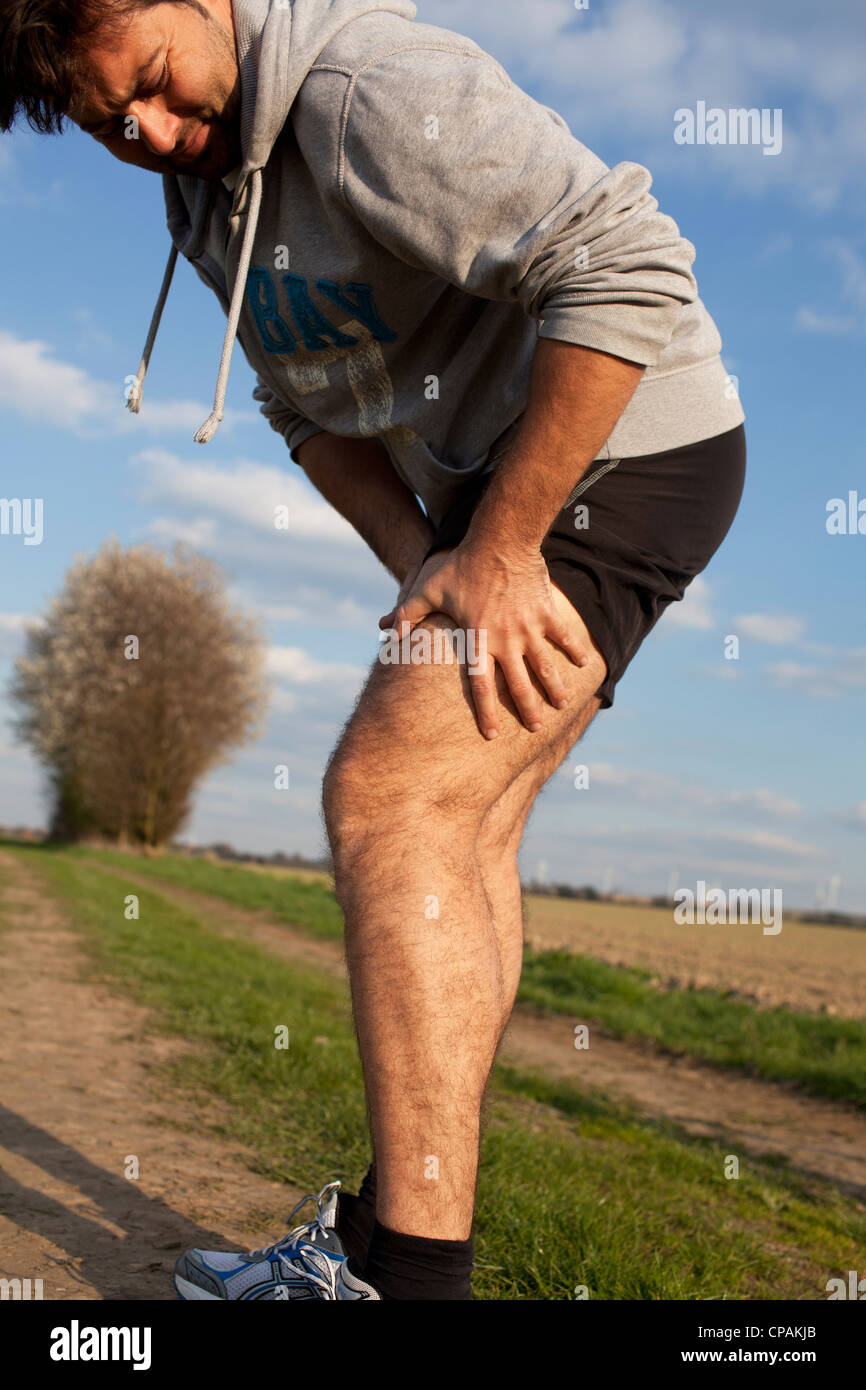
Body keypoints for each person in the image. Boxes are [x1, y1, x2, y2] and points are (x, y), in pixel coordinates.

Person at [0, 0, 746, 1300]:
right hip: (492, 493)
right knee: (454, 831)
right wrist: (426, 560)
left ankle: (403, 1281)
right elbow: (303, 407)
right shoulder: (204, 197)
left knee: (387, 797)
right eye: (114, 126)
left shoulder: (361, 88)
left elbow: (626, 265)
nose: (161, 132)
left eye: (163, 85)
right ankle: (391, 1250)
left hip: (623, 446)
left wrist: (501, 546)